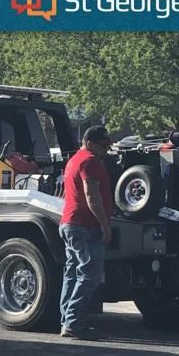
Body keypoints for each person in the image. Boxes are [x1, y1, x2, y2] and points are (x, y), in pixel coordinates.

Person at [58, 125, 114, 340]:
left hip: (70, 223)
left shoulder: (74, 159)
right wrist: (105, 226)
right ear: (90, 143)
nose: (107, 150)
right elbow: (92, 196)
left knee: (72, 274)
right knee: (89, 275)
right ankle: (73, 322)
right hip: (85, 226)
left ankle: (67, 322)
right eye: (103, 146)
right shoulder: (90, 161)